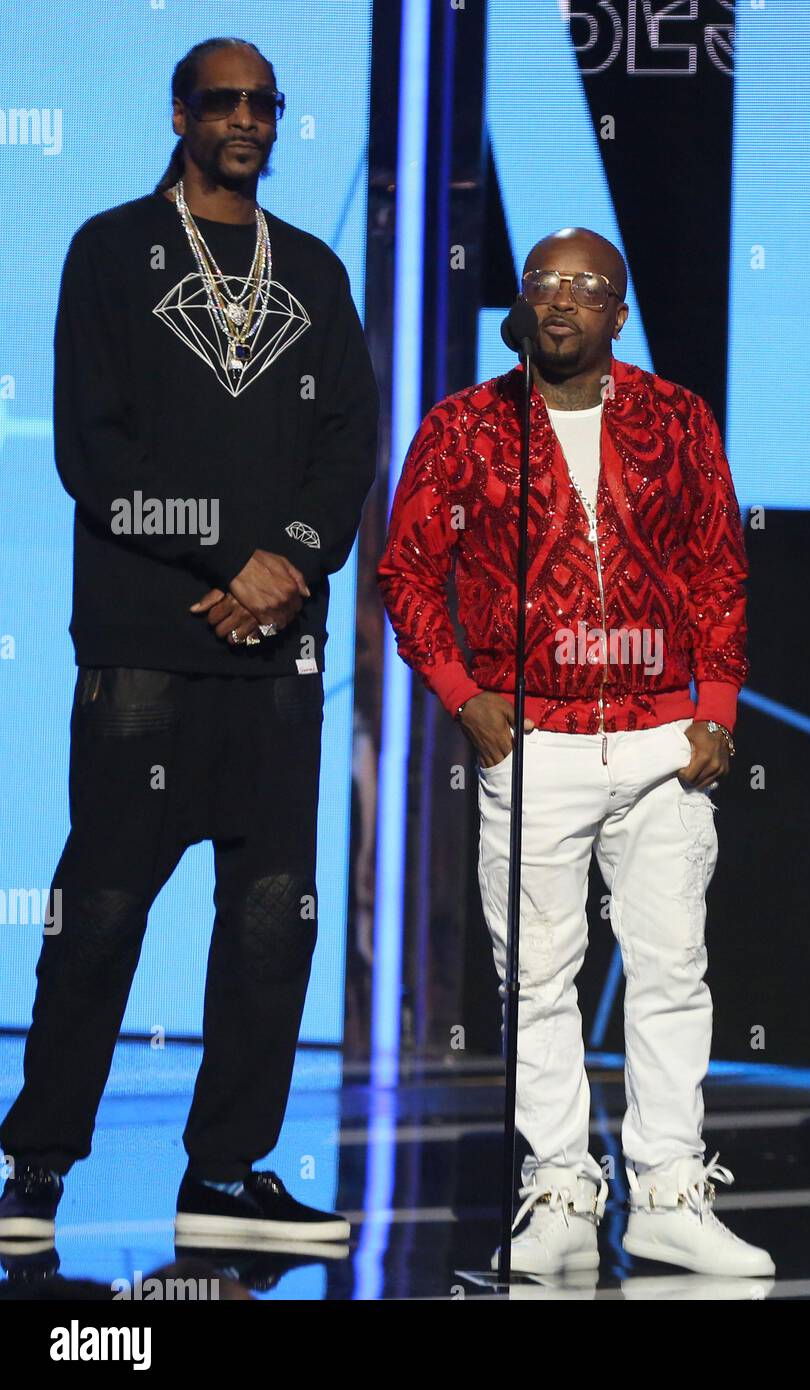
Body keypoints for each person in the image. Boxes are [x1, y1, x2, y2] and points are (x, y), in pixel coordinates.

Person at [0, 37, 378, 1246]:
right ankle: (38, 1164)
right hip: (146, 652)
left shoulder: (312, 272)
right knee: (101, 910)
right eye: (222, 100)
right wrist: (238, 559)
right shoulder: (109, 250)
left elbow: (349, 447)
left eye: (263, 102)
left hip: (277, 659)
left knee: (273, 923)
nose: (245, 119)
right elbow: (93, 453)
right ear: (178, 113)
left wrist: (295, 565)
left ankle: (222, 1171)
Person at [378, 227, 773, 1277]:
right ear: (521, 303)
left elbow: (717, 569)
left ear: (618, 311)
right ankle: (556, 1184)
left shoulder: (674, 418)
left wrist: (718, 705)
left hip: (657, 737)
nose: (559, 303)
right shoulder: (467, 426)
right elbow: (405, 573)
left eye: (584, 288)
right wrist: (461, 694)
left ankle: (667, 1189)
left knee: (669, 968)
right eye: (542, 285)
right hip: (536, 737)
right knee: (537, 977)